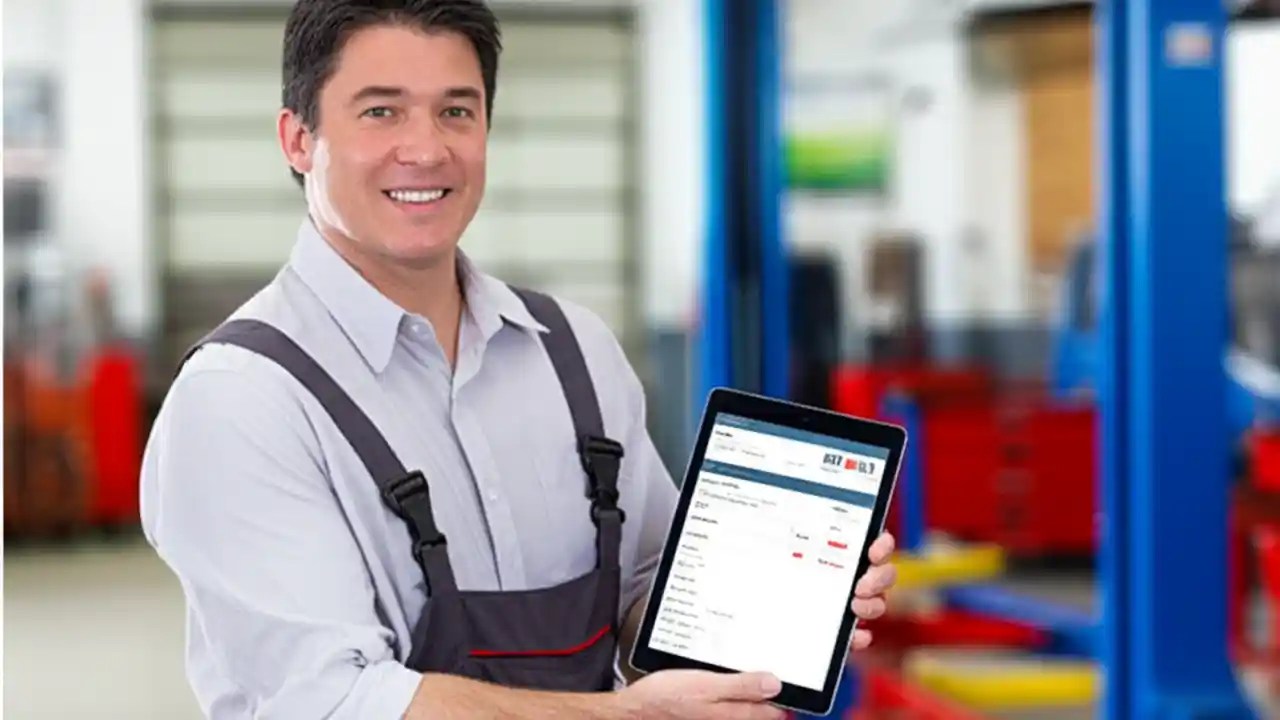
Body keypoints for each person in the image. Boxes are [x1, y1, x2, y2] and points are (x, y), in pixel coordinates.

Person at [139, 1, 898, 718]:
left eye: (456, 111)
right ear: (298, 139)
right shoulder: (241, 400)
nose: (426, 148)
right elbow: (337, 702)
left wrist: (772, 604)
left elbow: (640, 599)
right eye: (381, 111)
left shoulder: (575, 351)